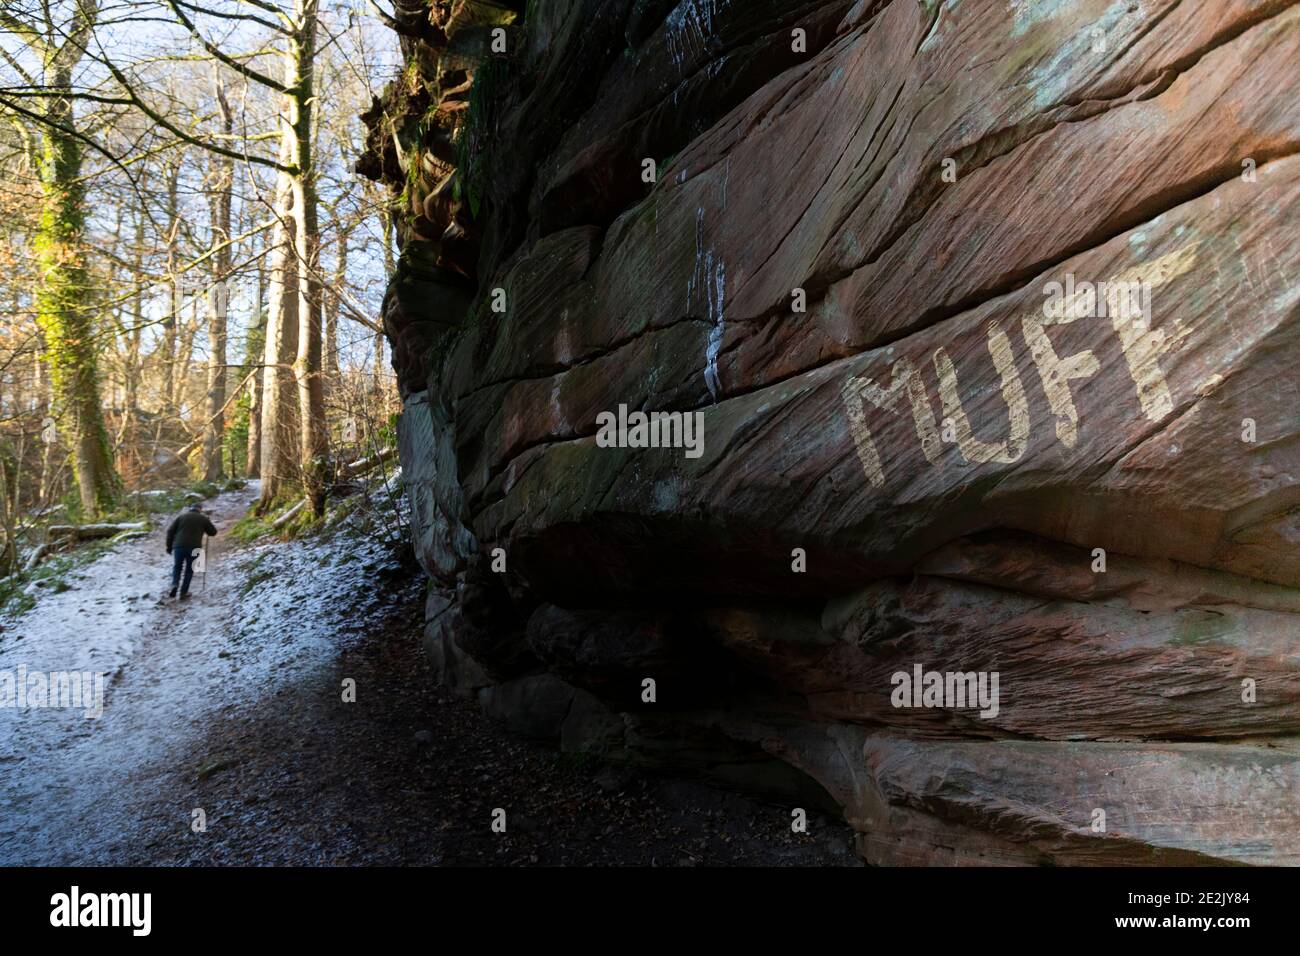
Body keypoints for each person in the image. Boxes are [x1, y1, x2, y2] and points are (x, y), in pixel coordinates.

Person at [165, 502, 218, 600]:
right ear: (200, 509)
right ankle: (183, 593)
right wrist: (208, 523)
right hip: (195, 547)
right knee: (189, 570)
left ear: (191, 508)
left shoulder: (181, 517)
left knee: (177, 567)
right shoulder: (203, 519)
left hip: (179, 546)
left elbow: (170, 531)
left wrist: (169, 546)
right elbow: (213, 532)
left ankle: (175, 584)